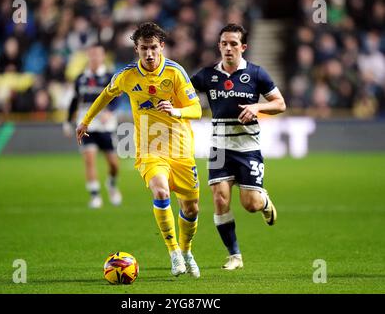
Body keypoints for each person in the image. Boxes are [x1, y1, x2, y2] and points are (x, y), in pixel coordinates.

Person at [76, 22, 202, 278]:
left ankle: (187, 250)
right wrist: (86, 120)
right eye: (144, 48)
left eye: (154, 47)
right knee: (160, 189)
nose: (149, 54)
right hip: (149, 149)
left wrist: (177, 111)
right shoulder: (127, 76)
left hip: (180, 148)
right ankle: (174, 252)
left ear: (161, 46)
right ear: (136, 49)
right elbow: (105, 95)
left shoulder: (176, 72)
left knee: (191, 208)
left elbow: (197, 109)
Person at [191, 24, 286, 270]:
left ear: (243, 47)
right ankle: (234, 255)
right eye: (224, 43)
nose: (228, 48)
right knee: (220, 200)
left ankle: (264, 202)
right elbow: (182, 91)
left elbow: (280, 104)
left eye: (234, 44)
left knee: (250, 204)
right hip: (219, 148)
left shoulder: (256, 74)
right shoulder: (207, 75)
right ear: (219, 46)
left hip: (247, 147)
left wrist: (257, 107)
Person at [63, 45, 122, 209]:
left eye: (98, 54)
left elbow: (117, 97)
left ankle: (111, 184)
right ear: (88, 56)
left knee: (114, 164)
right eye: (92, 54)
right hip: (86, 125)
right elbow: (75, 101)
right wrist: (68, 121)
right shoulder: (81, 78)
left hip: (106, 126)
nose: (95, 57)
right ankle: (95, 196)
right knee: (89, 160)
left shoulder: (111, 76)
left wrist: (109, 111)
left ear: (103, 56)